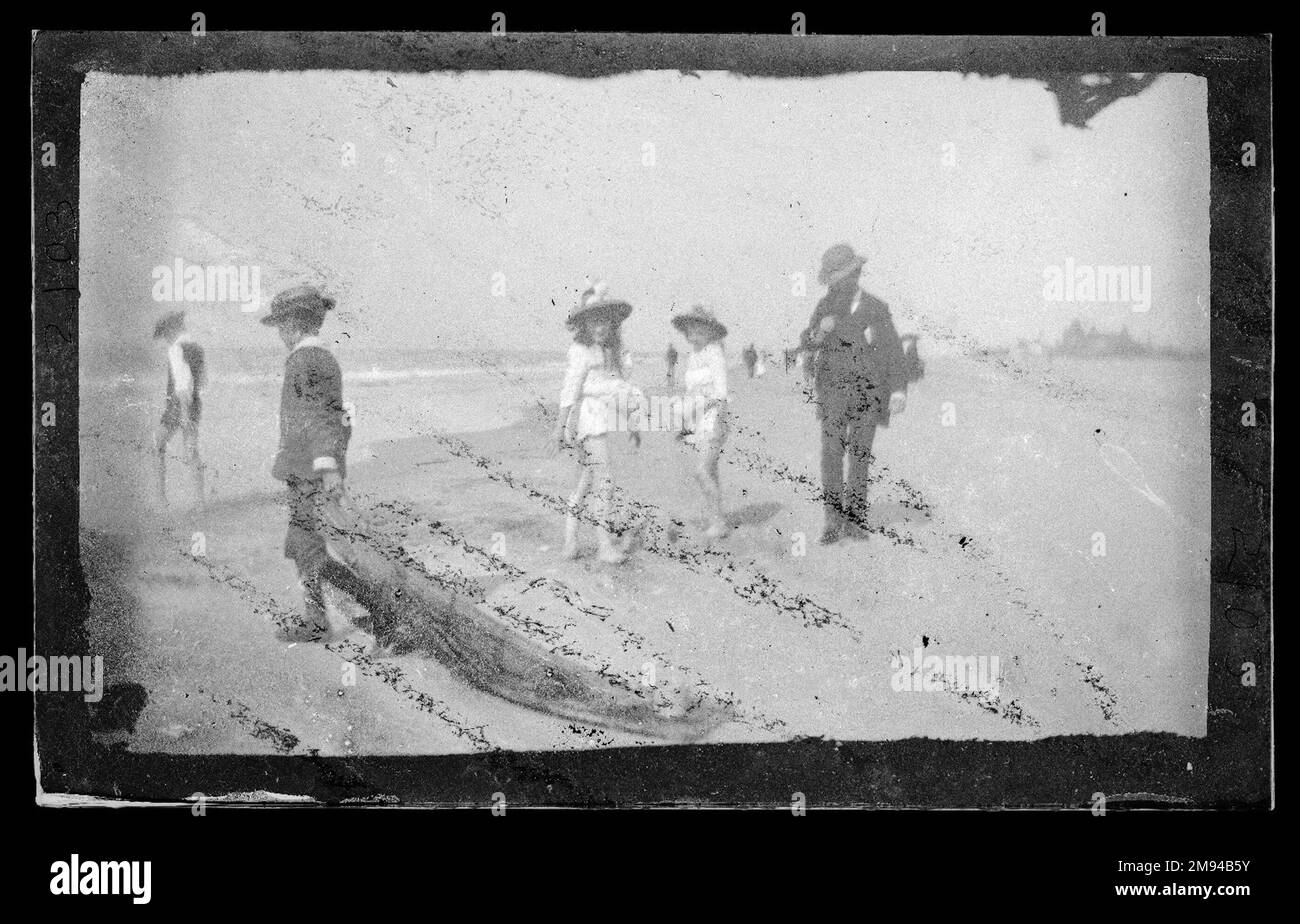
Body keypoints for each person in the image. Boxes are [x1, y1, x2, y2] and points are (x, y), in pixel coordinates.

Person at [261, 285, 389, 643]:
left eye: (281, 327)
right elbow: (341, 418)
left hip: (309, 472)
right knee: (303, 545)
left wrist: (327, 467)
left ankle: (367, 607)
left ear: (293, 326)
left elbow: (318, 417)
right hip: (311, 468)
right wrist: (332, 463)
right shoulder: (321, 359)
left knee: (307, 546)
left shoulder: (305, 361)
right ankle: (330, 615)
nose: (280, 336)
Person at [799, 244, 909, 544]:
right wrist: (819, 331)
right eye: (835, 279)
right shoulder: (824, 306)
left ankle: (855, 520)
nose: (839, 283)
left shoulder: (876, 308)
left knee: (860, 457)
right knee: (832, 455)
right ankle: (832, 521)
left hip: (868, 394)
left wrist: (898, 390)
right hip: (833, 391)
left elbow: (894, 352)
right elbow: (807, 343)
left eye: (845, 276)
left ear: (857, 274)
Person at [553, 283, 644, 564]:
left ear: (613, 323)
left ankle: (570, 542)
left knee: (585, 483)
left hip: (601, 419)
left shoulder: (613, 351)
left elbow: (621, 388)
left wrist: (632, 422)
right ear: (583, 324)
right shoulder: (581, 351)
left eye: (604, 321)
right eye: (593, 321)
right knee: (603, 482)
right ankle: (604, 546)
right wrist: (560, 427)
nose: (599, 327)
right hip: (587, 420)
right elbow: (571, 388)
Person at [672, 305, 731, 539]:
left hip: (714, 418)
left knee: (701, 471)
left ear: (710, 331)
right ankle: (717, 519)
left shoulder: (714, 352)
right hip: (698, 420)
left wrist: (718, 420)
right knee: (711, 471)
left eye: (699, 328)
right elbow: (690, 394)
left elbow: (722, 393)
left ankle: (719, 521)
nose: (693, 333)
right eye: (690, 329)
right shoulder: (693, 355)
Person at [152, 310, 206, 507]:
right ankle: (199, 502)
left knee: (157, 444)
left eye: (165, 334)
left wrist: (183, 413)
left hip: (179, 405)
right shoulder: (197, 348)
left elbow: (182, 384)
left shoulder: (176, 348)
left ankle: (161, 498)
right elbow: (201, 382)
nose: (165, 339)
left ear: (172, 330)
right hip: (194, 403)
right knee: (191, 451)